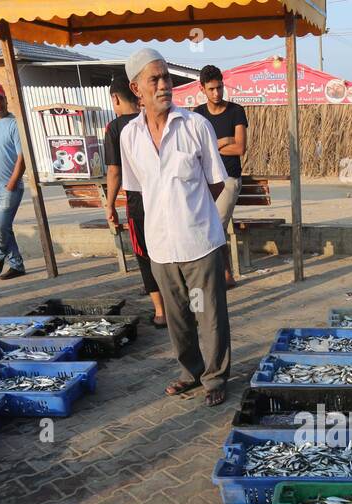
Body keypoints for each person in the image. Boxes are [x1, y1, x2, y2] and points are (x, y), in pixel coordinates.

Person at [120, 48, 231, 407]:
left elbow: (217, 183)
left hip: (200, 242)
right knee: (178, 320)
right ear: (137, 88)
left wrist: (193, 215)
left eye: (166, 77)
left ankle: (215, 377)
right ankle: (191, 372)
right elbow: (137, 190)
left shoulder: (195, 125)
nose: (164, 84)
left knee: (210, 316)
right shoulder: (130, 137)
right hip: (161, 247)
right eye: (155, 79)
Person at [103, 73, 167, 328]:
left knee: (145, 255)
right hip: (164, 199)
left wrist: (109, 204)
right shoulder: (153, 119)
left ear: (116, 98)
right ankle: (185, 307)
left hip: (139, 205)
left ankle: (161, 311)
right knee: (171, 252)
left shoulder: (116, 128)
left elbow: (114, 171)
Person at [193, 65, 247, 287]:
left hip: (229, 180)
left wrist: (213, 146)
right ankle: (214, 273)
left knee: (216, 225)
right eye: (212, 89)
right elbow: (197, 150)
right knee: (201, 225)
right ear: (202, 89)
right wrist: (224, 141)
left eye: (220, 87)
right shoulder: (198, 115)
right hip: (205, 180)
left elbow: (240, 148)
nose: (217, 93)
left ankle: (225, 274)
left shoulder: (236, 111)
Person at [0, 81, 27, 279]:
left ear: (6, 99)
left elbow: (22, 157)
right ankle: (16, 265)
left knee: (0, 226)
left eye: (0, 98)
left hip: (9, 187)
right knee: (5, 227)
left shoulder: (15, 124)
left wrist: (12, 183)